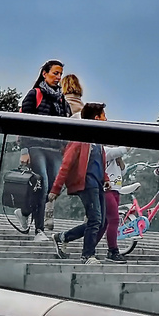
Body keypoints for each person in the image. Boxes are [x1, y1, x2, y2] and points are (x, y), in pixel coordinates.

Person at [49, 103, 120, 263]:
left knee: (101, 222)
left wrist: (107, 179)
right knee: (95, 220)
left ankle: (63, 237)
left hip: (98, 184)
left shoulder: (97, 141)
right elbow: (65, 165)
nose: (106, 119)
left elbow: (100, 164)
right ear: (96, 118)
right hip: (86, 184)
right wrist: (56, 188)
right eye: (103, 116)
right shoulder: (79, 140)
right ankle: (88, 255)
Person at [18, 60, 70, 243]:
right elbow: (22, 123)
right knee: (42, 185)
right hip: (36, 147)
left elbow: (68, 125)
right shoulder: (35, 94)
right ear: (45, 74)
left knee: (51, 189)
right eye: (55, 73)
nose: (58, 77)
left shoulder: (62, 100)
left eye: (60, 74)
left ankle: (24, 211)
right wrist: (24, 150)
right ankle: (39, 230)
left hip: (55, 149)